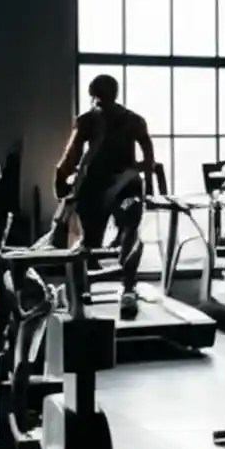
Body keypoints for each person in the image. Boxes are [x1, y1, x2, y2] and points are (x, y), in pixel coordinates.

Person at [55, 74, 155, 320]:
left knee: (93, 242)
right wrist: (146, 184)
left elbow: (71, 158)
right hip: (122, 188)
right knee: (127, 230)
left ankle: (88, 291)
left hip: (100, 188)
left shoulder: (89, 120)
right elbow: (149, 158)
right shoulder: (133, 120)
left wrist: (61, 182)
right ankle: (127, 288)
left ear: (92, 94)